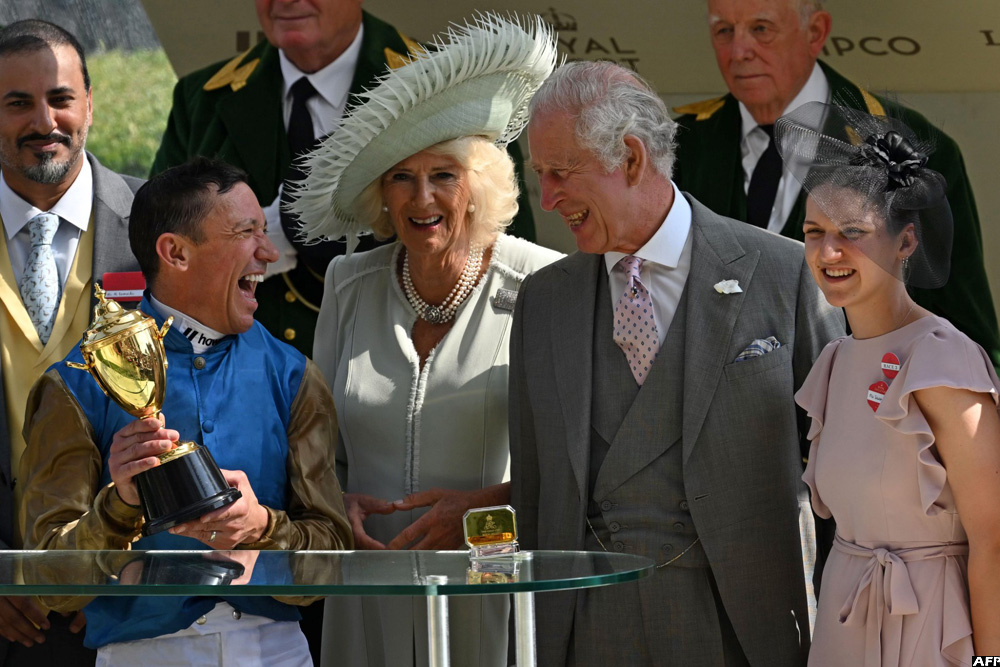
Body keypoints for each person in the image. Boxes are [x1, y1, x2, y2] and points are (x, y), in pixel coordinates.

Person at [511, 59, 845, 666]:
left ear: (631, 158)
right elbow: (535, 497)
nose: (548, 198)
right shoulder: (543, 301)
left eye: (560, 172)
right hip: (591, 631)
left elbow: (840, 483)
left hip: (742, 627)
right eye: (541, 175)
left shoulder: (785, 273)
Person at [289, 14, 561, 666]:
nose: (422, 198)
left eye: (444, 174)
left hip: (490, 590)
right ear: (380, 195)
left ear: (479, 185)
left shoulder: (543, 283)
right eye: (401, 178)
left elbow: (569, 469)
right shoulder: (349, 283)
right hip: (369, 594)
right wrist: (332, 504)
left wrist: (477, 513)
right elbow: (316, 445)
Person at [17, 158, 353, 665]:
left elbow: (331, 566)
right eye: (247, 232)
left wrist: (262, 526)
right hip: (138, 654)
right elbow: (49, 584)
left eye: (264, 232)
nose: (268, 252)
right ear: (175, 253)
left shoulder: (295, 376)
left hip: (276, 652)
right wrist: (120, 505)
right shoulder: (73, 384)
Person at [150, 0, 538, 360]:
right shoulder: (203, 99)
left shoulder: (449, 88)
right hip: (243, 376)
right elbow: (157, 251)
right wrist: (260, 237)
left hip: (398, 369)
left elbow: (502, 253)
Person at [774, 102, 1000, 664]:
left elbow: (994, 541)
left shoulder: (943, 359)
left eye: (853, 233)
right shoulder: (834, 360)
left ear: (906, 242)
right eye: (814, 233)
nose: (829, 252)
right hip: (844, 626)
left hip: (932, 631)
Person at [673, 0, 1000, 369]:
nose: (739, 51)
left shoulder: (908, 146)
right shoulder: (685, 143)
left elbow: (964, 328)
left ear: (815, 32)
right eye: (724, 31)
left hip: (867, 391)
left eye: (761, 29)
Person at [0, 19, 141, 666]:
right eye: (17, 103)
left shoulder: (160, 228)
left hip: (131, 602)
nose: (44, 121)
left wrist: (118, 559)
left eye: (60, 98)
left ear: (89, 104)